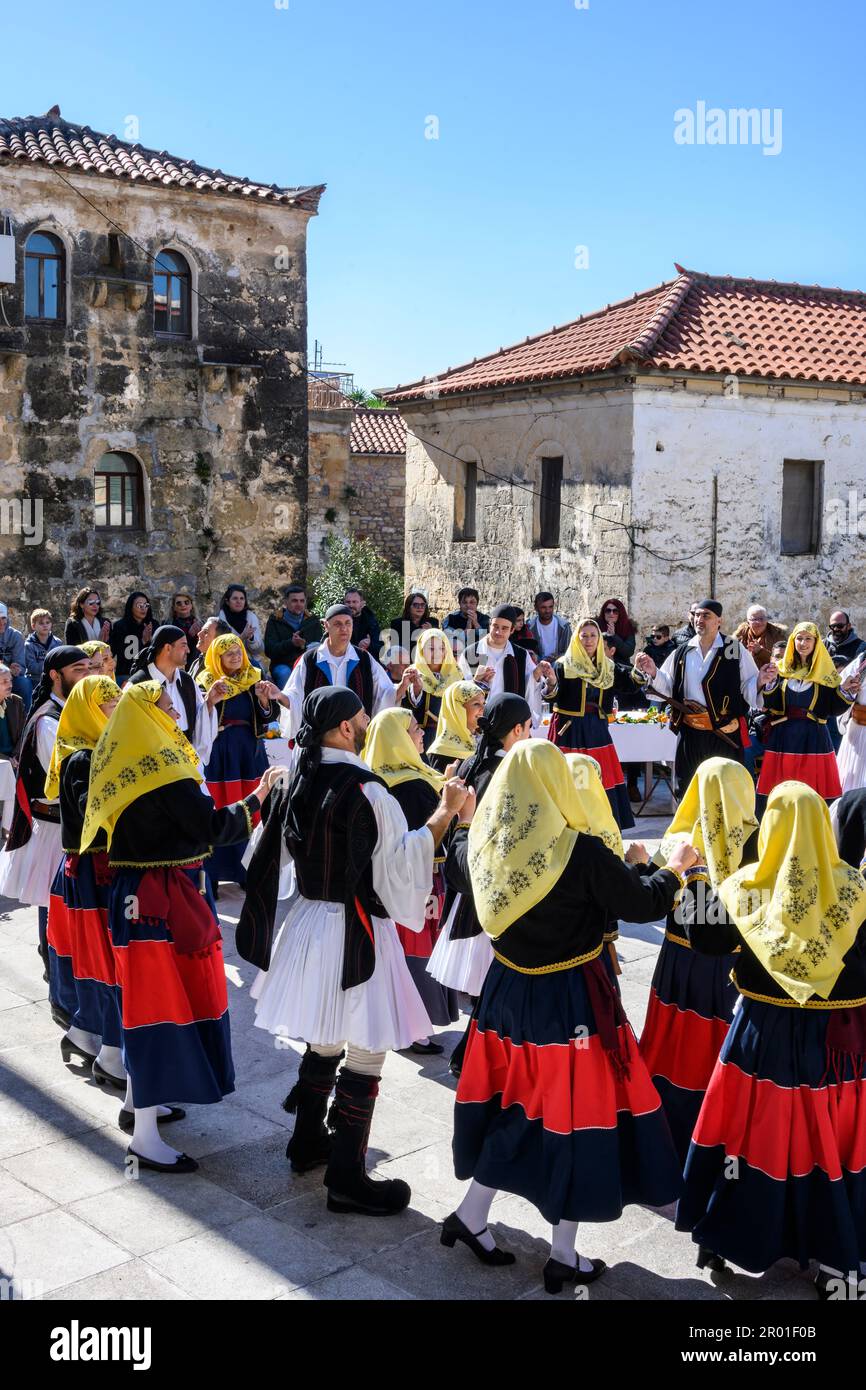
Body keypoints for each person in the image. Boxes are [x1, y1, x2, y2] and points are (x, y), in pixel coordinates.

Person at [448, 740, 694, 1288]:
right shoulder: (578, 851)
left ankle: (472, 1214)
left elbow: (459, 857)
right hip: (572, 1006)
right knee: (577, 1117)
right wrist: (672, 869)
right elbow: (642, 903)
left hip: (506, 1000)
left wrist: (464, 819)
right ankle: (562, 1250)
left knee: (521, 1104)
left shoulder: (485, 846)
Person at [242, 687, 470, 1213]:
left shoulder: (294, 778)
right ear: (346, 727)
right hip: (356, 929)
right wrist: (446, 811)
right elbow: (400, 866)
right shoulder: (369, 791)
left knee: (325, 1033)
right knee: (367, 1044)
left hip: (309, 922)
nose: (368, 720)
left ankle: (306, 1143)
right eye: (362, 715)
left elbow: (265, 858)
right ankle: (346, 1175)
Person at [80, 680, 281, 1173]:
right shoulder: (165, 775)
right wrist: (258, 798)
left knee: (145, 1006)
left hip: (138, 897)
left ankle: (137, 1102)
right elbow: (212, 828)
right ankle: (144, 1138)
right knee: (155, 1012)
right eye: (167, 708)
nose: (175, 715)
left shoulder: (124, 761)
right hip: (156, 902)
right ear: (147, 718)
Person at [676, 782, 866, 1295]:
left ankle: (724, 1233)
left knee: (746, 1137)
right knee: (829, 1143)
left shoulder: (747, 887)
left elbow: (705, 938)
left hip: (760, 1039)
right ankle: (835, 1258)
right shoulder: (853, 888)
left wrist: (693, 875)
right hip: (834, 1046)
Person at [639, 758, 759, 1164]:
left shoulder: (677, 842)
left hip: (679, 962)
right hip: (730, 970)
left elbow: (651, 897)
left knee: (674, 1040)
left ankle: (663, 1121)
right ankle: (715, 1128)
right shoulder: (758, 845)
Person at [431, 692, 532, 1077]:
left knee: (491, 982)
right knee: (496, 976)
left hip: (470, 881)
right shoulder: (509, 771)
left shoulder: (474, 763)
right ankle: (474, 1057)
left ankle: (476, 1053)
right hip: (491, 885)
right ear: (517, 729)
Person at [363, 707, 460, 1051]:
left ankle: (399, 1022)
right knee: (418, 952)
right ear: (398, 739)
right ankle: (414, 1028)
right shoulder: (414, 785)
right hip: (420, 882)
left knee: (396, 952)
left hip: (383, 883)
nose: (422, 735)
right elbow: (431, 840)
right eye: (415, 729)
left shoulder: (372, 776)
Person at [43, 675, 125, 1087]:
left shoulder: (105, 750)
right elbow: (95, 814)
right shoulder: (82, 758)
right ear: (90, 709)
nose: (117, 710)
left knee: (104, 962)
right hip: (94, 871)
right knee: (107, 963)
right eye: (109, 705)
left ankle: (86, 1035)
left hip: (102, 869)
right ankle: (109, 1051)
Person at [0, 646, 91, 999]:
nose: (86, 674)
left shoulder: (74, 713)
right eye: (78, 669)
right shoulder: (48, 720)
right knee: (52, 903)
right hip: (54, 827)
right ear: (56, 675)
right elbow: (62, 781)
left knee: (64, 902)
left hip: (71, 824)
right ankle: (56, 977)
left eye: (88, 667)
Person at [634, 599, 773, 797]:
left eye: (706, 615)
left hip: (723, 734)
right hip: (691, 734)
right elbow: (667, 685)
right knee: (690, 789)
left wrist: (760, 680)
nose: (699, 619)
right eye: (697, 615)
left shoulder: (733, 649)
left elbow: (748, 685)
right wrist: (653, 671)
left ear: (719, 621)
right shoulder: (683, 650)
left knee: (723, 790)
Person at [195, 634, 281, 888]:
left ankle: (247, 873)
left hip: (248, 752)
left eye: (237, 651)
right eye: (228, 652)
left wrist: (265, 702)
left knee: (252, 809)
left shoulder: (254, 677)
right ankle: (212, 876)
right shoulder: (206, 681)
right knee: (220, 807)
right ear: (216, 656)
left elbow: (268, 717)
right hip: (219, 753)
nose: (235, 656)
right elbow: (199, 718)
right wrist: (210, 701)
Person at [756, 622, 858, 811]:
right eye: (799, 638)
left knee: (813, 788)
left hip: (814, 740)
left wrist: (846, 691)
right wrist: (769, 684)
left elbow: (833, 708)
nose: (803, 643)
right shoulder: (781, 670)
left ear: (816, 642)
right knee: (780, 787)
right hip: (783, 738)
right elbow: (773, 704)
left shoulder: (826, 674)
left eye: (808, 638)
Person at [547, 618, 634, 830]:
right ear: (577, 638)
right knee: (571, 775)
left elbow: (630, 684)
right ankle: (569, 821)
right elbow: (552, 697)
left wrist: (642, 671)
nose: (588, 640)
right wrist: (550, 682)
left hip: (596, 729)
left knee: (599, 775)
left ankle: (602, 822)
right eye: (583, 635)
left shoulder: (607, 666)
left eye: (593, 635)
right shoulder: (563, 665)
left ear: (599, 639)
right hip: (570, 729)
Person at [280, 604, 400, 740]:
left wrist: (404, 686)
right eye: (337, 624)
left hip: (355, 741)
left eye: (348, 623)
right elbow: (294, 695)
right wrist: (278, 695)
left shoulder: (364, 659)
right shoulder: (310, 660)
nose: (344, 629)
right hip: (320, 740)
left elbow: (385, 692)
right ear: (326, 625)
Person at [127, 624, 221, 769]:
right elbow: (131, 730)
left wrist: (209, 703)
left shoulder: (187, 681)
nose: (189, 650)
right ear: (168, 648)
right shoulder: (138, 684)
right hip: (154, 764)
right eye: (183, 645)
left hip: (187, 762)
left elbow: (198, 722)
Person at [459, 605, 555, 732]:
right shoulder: (472, 653)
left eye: (504, 628)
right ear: (489, 625)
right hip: (477, 725)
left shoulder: (520, 655)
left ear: (512, 630)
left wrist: (536, 675)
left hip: (509, 724)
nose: (499, 632)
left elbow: (531, 687)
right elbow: (458, 691)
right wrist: (476, 683)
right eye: (495, 626)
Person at [405, 628, 462, 751]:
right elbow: (409, 704)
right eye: (431, 649)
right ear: (421, 650)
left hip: (449, 734)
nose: (436, 653)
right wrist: (417, 689)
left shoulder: (456, 674)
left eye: (441, 649)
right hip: (422, 735)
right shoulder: (414, 672)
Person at [264, 584, 323, 687]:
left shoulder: (313, 621)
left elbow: (319, 648)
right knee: (284, 674)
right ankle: (286, 703)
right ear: (286, 602)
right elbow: (269, 650)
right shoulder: (275, 621)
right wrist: (291, 643)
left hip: (307, 664)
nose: (299, 604)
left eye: (302, 601)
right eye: (294, 601)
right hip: (283, 665)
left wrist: (303, 645)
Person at [427, 679, 486, 773]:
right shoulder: (441, 751)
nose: (483, 709)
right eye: (476, 704)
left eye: (484, 704)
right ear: (457, 709)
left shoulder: (485, 740)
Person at [0, 663, 26, 840]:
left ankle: (10, 825)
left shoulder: (16, 702)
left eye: (10, 680)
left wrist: (15, 755)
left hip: (14, 757)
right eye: (3, 681)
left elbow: (24, 732)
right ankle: (6, 827)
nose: (9, 684)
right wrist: (6, 759)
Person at [836, 644, 866, 793]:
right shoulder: (862, 661)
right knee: (851, 786)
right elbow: (840, 686)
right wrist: (849, 688)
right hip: (858, 732)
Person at [109, 591, 155, 684]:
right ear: (131, 607)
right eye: (139, 605)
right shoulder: (121, 626)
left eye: (146, 605)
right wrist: (142, 641)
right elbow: (125, 655)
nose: (143, 609)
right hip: (126, 674)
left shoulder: (153, 624)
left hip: (149, 673)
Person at [219, 583, 265, 666]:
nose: (239, 601)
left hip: (251, 660)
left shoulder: (251, 617)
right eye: (235, 598)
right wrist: (242, 637)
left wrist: (251, 639)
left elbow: (259, 650)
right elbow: (223, 648)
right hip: (229, 661)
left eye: (242, 598)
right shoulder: (221, 619)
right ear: (227, 601)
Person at [386, 590, 439, 658]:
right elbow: (396, 648)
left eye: (422, 605)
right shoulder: (398, 624)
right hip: (405, 660)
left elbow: (438, 645)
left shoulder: (432, 622)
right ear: (408, 607)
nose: (420, 607)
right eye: (416, 605)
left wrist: (431, 631)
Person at [734, 605, 787, 670]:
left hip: (771, 677)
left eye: (762, 618)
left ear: (766, 620)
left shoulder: (777, 635)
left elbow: (782, 662)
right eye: (754, 619)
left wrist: (760, 652)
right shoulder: (740, 636)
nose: (759, 622)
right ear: (748, 622)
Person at [0, 603, 32, 709]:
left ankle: (26, 720)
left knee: (24, 683)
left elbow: (21, 666)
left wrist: (16, 669)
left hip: (10, 677)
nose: (1, 622)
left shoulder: (15, 636)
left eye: (3, 618)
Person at [442, 588, 490, 655]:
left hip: (479, 658)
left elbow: (489, 640)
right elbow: (449, 641)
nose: (468, 605)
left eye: (472, 602)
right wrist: (467, 629)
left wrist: (476, 623)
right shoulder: (451, 619)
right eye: (464, 602)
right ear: (459, 604)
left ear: (477, 604)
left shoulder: (485, 619)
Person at [527, 592, 572, 662]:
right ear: (536, 608)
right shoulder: (529, 627)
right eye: (543, 607)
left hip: (559, 666)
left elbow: (569, 652)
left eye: (550, 607)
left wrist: (557, 657)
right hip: (536, 666)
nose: (547, 611)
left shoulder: (564, 627)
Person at [24, 609, 62, 684]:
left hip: (54, 678)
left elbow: (61, 662)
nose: (45, 625)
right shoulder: (29, 645)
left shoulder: (57, 643)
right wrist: (49, 666)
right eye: (41, 623)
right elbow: (31, 667)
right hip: (35, 680)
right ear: (33, 626)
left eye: (47, 622)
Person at [343, 587, 381, 657]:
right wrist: (357, 647)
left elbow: (379, 647)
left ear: (362, 604)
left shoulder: (371, 621)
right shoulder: (339, 621)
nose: (351, 605)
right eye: (348, 602)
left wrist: (369, 644)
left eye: (354, 602)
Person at [168, 591, 201, 667]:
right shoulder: (169, 625)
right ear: (174, 608)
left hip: (196, 663)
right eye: (179, 603)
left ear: (191, 605)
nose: (183, 605)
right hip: (176, 664)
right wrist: (189, 635)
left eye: (186, 602)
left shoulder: (200, 624)